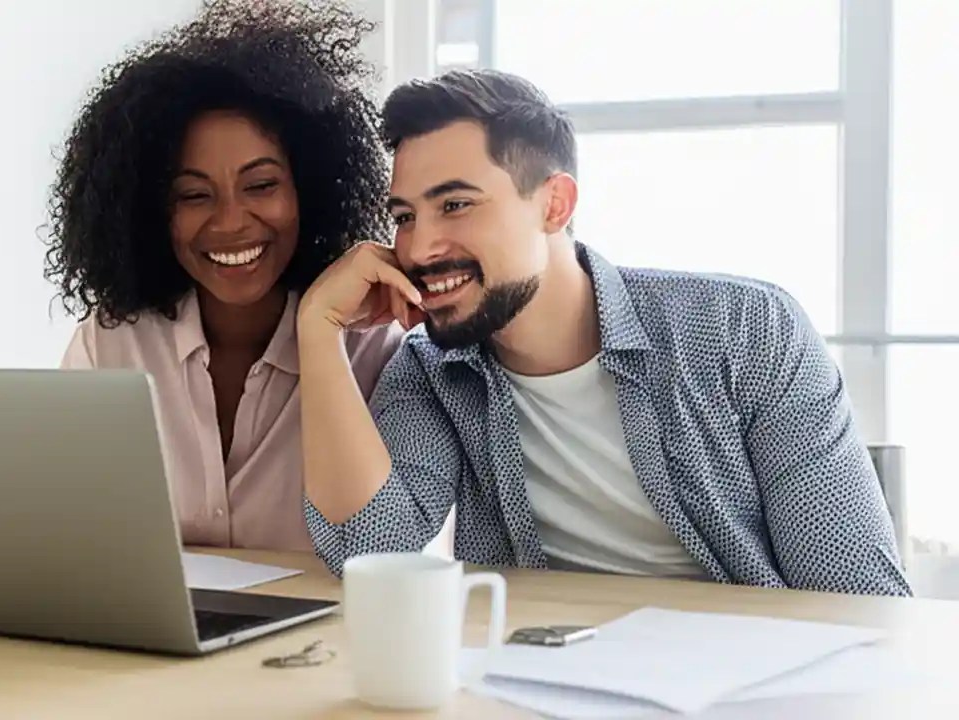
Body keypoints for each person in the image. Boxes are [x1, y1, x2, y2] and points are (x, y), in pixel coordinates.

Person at [296, 68, 911, 596]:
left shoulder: (749, 331)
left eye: (455, 205)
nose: (420, 247)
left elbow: (858, 598)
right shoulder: (432, 369)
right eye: (404, 216)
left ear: (554, 205)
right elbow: (365, 551)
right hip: (537, 677)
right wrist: (318, 330)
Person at [45, 0, 400, 552]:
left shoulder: (375, 348)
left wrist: (317, 328)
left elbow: (382, 555)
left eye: (261, 186)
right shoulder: (112, 344)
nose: (232, 222)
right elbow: (65, 536)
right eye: (193, 195)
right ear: (152, 211)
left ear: (307, 189)